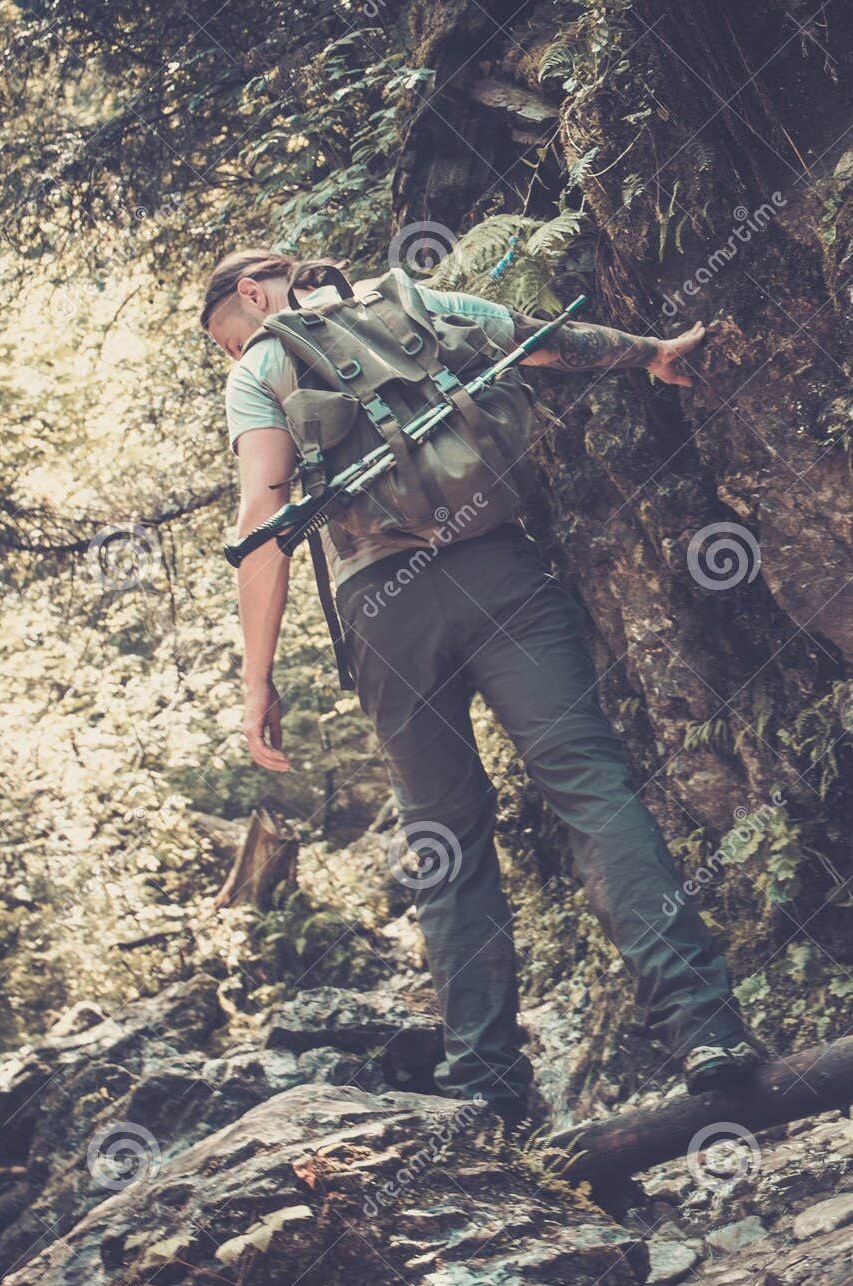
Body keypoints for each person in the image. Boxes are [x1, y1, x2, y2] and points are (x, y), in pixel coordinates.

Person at [200, 248, 762, 1126]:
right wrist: (650, 348)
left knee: (448, 840)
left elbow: (262, 523)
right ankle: (705, 1030)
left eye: (227, 339)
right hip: (501, 569)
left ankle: (490, 1085)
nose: (237, 355)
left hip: (387, 609)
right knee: (593, 787)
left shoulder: (266, 365)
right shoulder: (411, 303)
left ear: (250, 294)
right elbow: (544, 340)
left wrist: (257, 679)